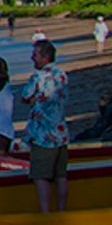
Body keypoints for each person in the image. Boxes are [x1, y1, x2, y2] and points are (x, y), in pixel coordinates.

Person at [18, 41, 72, 213]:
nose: (32, 58)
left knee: (41, 176)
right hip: (61, 132)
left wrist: (34, 99)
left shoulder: (39, 76)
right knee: (61, 175)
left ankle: (46, 212)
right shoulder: (62, 74)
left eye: (35, 55)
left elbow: (25, 95)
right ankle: (62, 210)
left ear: (44, 56)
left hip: (43, 135)